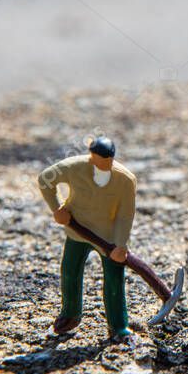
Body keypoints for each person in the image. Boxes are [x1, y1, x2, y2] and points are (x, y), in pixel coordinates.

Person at [37, 136, 135, 341]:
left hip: (107, 238)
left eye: (108, 160)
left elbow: (125, 215)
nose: (104, 163)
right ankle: (70, 313)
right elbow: (45, 179)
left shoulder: (125, 180)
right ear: (92, 156)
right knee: (70, 271)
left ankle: (118, 324)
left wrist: (121, 244)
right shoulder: (75, 167)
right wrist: (57, 208)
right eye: (100, 158)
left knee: (114, 279)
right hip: (77, 231)